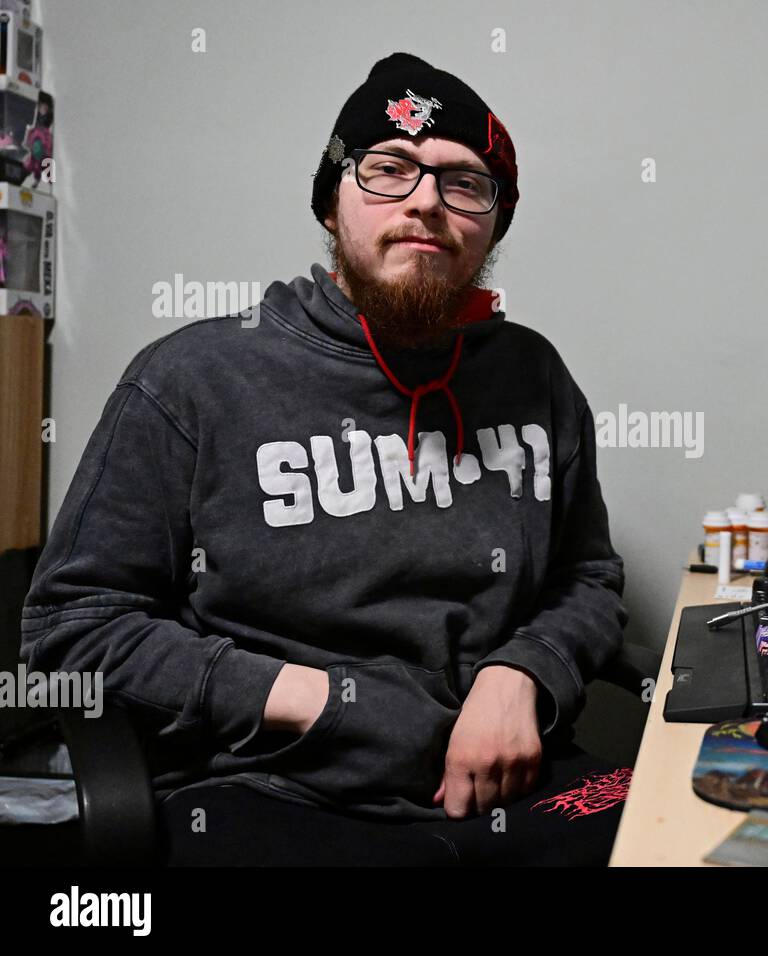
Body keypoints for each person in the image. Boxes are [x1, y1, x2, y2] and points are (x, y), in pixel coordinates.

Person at [20, 52, 632, 865]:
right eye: (389, 169)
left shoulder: (533, 375)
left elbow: (587, 577)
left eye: (465, 183)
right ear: (330, 201)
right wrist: (317, 701)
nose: (425, 201)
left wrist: (523, 673)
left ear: (493, 226)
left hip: (510, 785)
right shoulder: (193, 379)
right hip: (271, 793)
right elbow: (72, 630)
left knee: (716, 837)